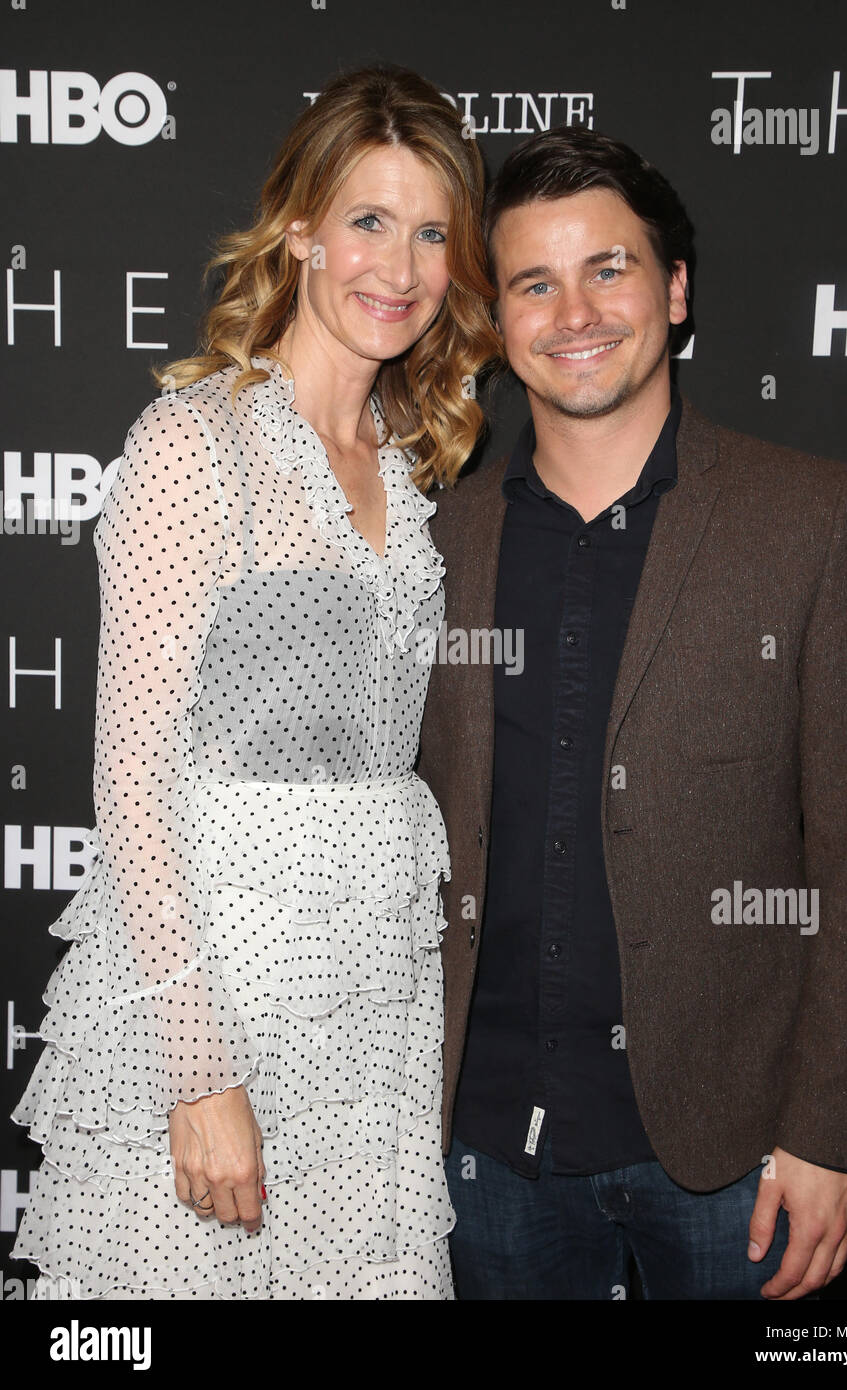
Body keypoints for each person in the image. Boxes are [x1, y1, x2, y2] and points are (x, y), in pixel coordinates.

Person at [10, 62, 500, 1300]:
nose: (399, 266)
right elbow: (129, 778)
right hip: (221, 995)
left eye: (433, 231)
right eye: (368, 221)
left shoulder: (407, 459)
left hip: (373, 1006)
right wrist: (198, 1071)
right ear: (301, 233)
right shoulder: (197, 445)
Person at [416, 125, 847, 1301]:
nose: (575, 310)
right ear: (498, 323)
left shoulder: (813, 519)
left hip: (737, 1155)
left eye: (610, 267)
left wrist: (835, 1131)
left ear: (675, 288)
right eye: (534, 282)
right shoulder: (441, 542)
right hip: (480, 1147)